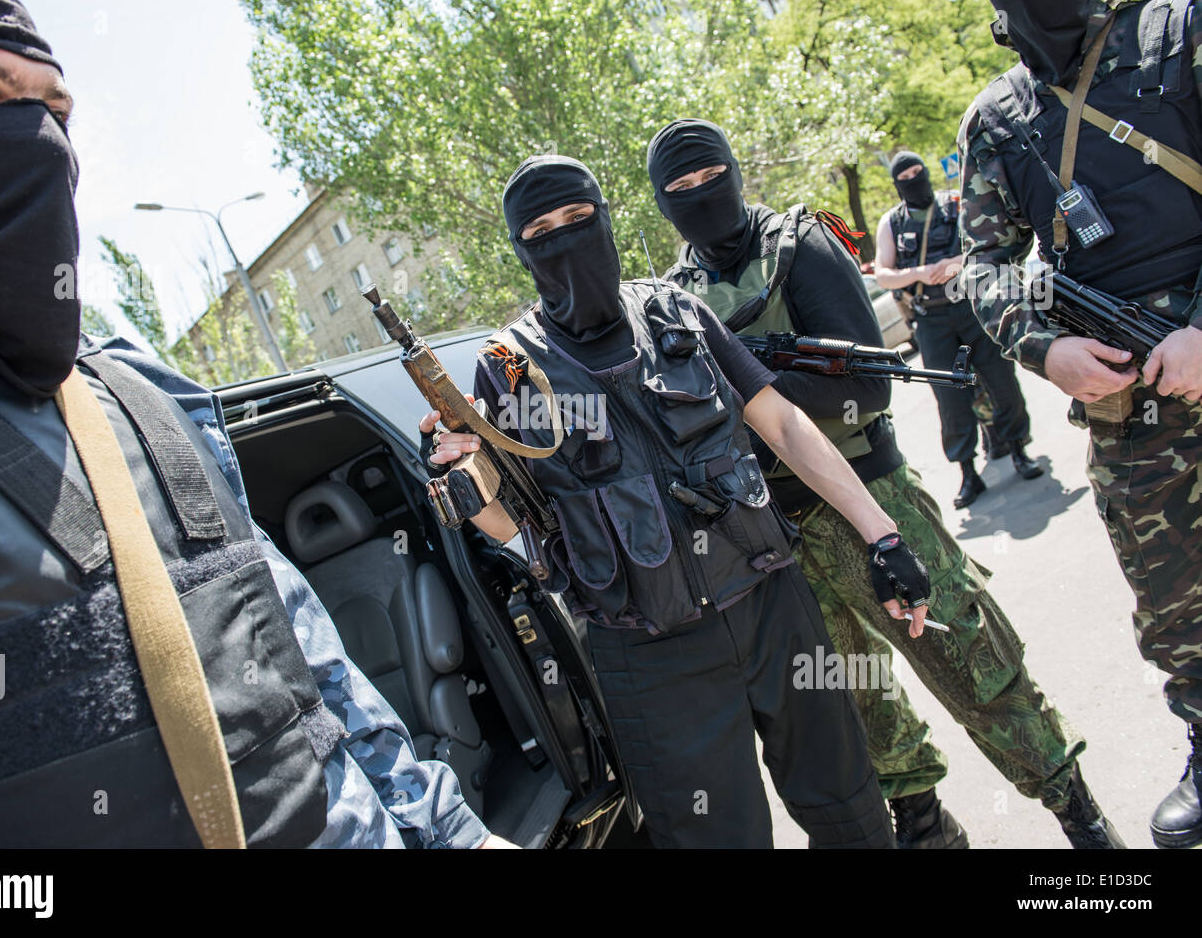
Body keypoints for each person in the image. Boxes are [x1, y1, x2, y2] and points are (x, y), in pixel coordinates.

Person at [0, 0, 506, 849]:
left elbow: (309, 663)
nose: (37, 137)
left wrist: (457, 833)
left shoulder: (141, 390)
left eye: (53, 108)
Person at [421, 153, 935, 848]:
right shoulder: (510, 364)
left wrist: (883, 535)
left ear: (604, 218)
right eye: (541, 231)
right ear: (520, 250)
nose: (565, 240)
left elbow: (780, 421)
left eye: (578, 219)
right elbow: (513, 521)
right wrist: (465, 472)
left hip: (773, 607)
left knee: (853, 812)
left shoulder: (675, 309)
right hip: (649, 656)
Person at [646, 117, 1122, 848]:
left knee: (970, 658)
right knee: (850, 690)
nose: (698, 196)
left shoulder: (798, 244)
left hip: (870, 495)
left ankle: (1074, 809)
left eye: (709, 177)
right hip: (776, 527)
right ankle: (925, 822)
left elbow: (865, 390)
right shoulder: (676, 297)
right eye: (678, 189)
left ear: (735, 173)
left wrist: (748, 402)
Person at [960, 0, 1202, 848]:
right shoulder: (995, 118)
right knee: (1175, 597)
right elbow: (980, 265)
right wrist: (1040, 349)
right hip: (1130, 408)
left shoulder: (1181, 31)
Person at [874, 151, 1042, 509]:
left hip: (973, 308)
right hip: (931, 320)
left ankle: (1018, 450)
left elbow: (990, 242)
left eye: (918, 171)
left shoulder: (955, 203)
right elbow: (882, 273)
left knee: (1002, 381)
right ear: (895, 183)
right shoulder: (892, 222)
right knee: (949, 399)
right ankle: (968, 473)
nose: (914, 179)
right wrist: (920, 273)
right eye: (905, 176)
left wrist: (954, 264)